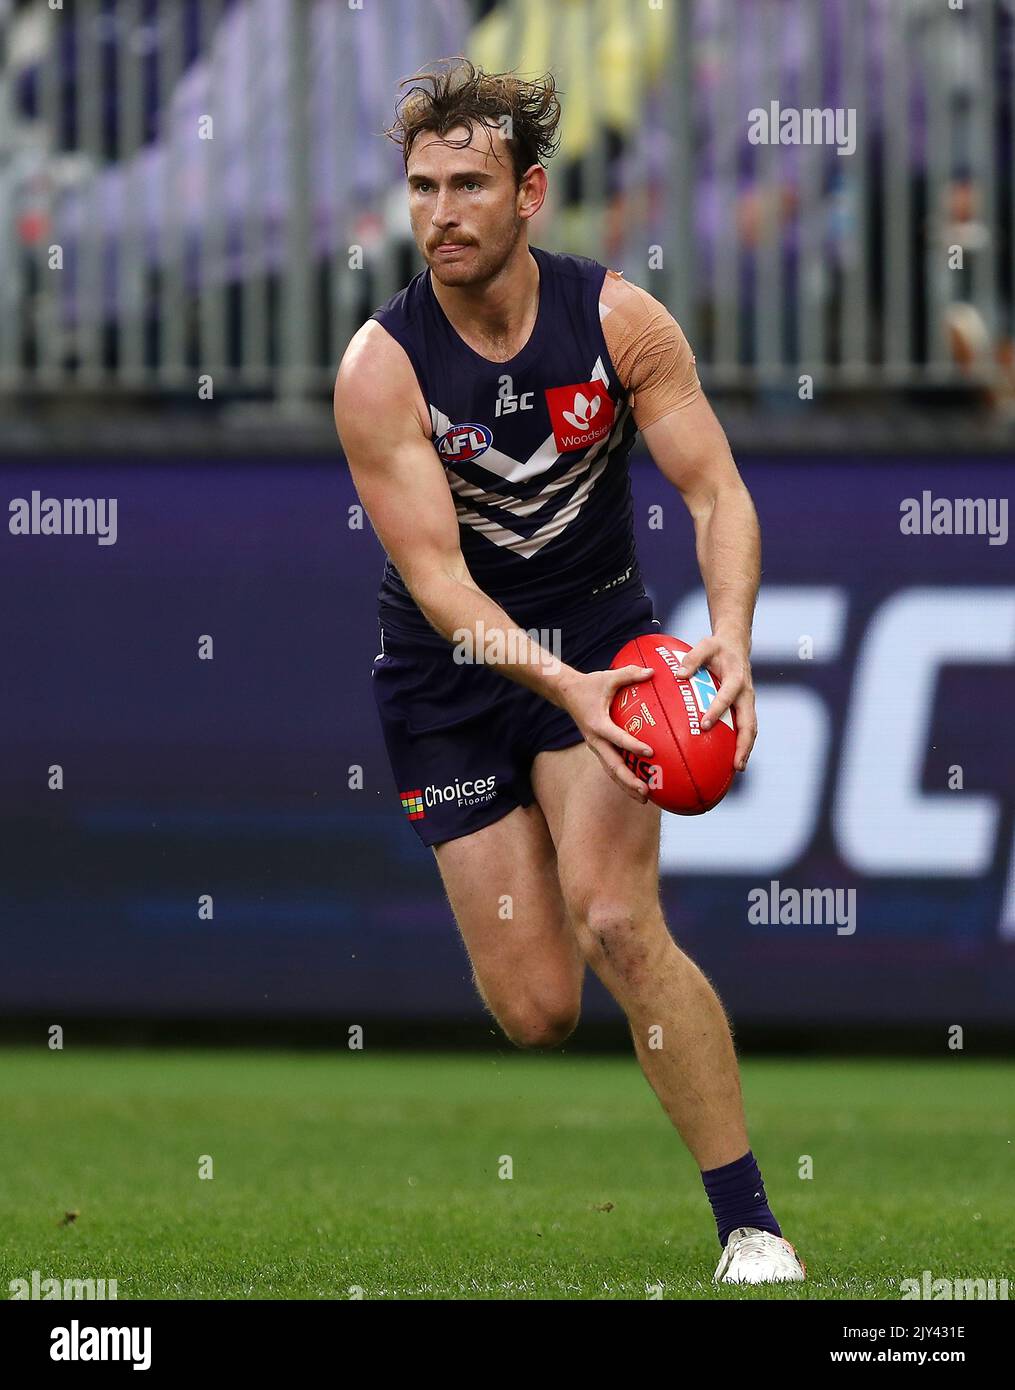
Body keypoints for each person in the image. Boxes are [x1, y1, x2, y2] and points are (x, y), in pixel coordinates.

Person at [334, 58, 804, 1285]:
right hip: (450, 671)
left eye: (469, 185)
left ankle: (750, 1224)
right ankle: (536, 825)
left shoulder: (618, 324)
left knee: (616, 919)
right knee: (538, 1008)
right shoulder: (380, 369)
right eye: (423, 187)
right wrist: (562, 694)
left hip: (600, 634)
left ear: (529, 193)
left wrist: (733, 639)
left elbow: (718, 493)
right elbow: (440, 586)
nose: (440, 212)